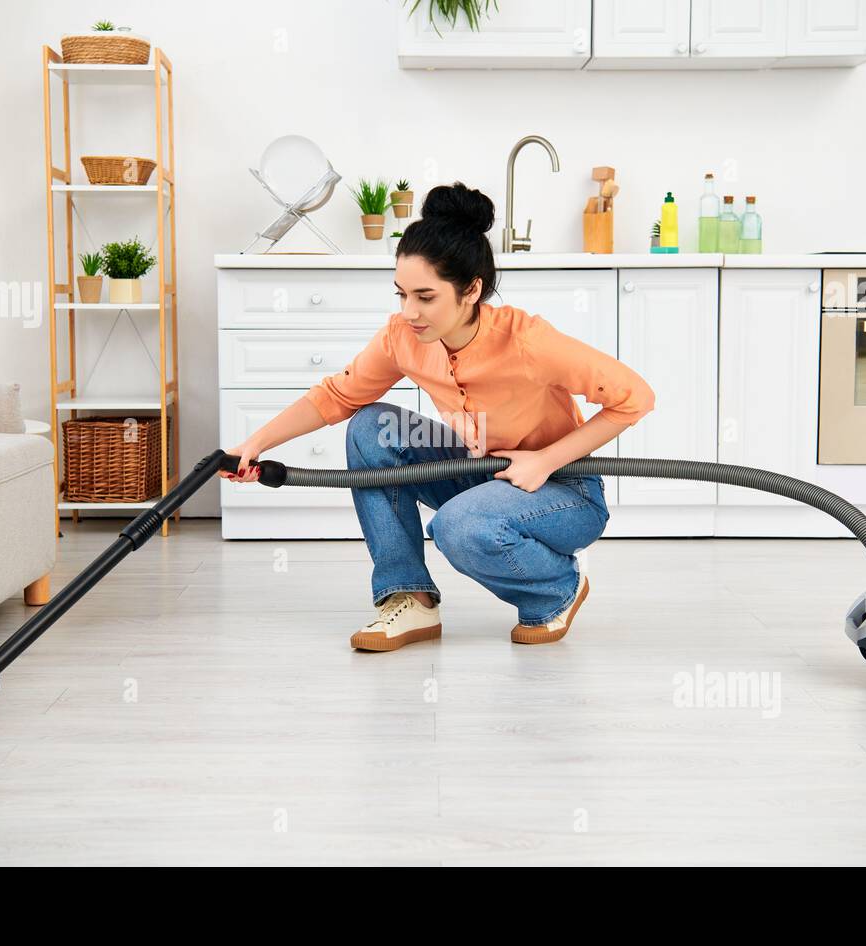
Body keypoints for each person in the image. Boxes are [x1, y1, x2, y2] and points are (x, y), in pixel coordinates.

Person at [219, 182, 655, 651]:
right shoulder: (402, 336)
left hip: (564, 491)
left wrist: (545, 459)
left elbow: (635, 398)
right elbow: (337, 396)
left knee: (458, 527)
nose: (409, 311)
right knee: (370, 429)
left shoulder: (528, 342)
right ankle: (409, 598)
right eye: (401, 294)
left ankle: (555, 590)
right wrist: (256, 443)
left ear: (471, 290)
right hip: (480, 470)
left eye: (425, 297)